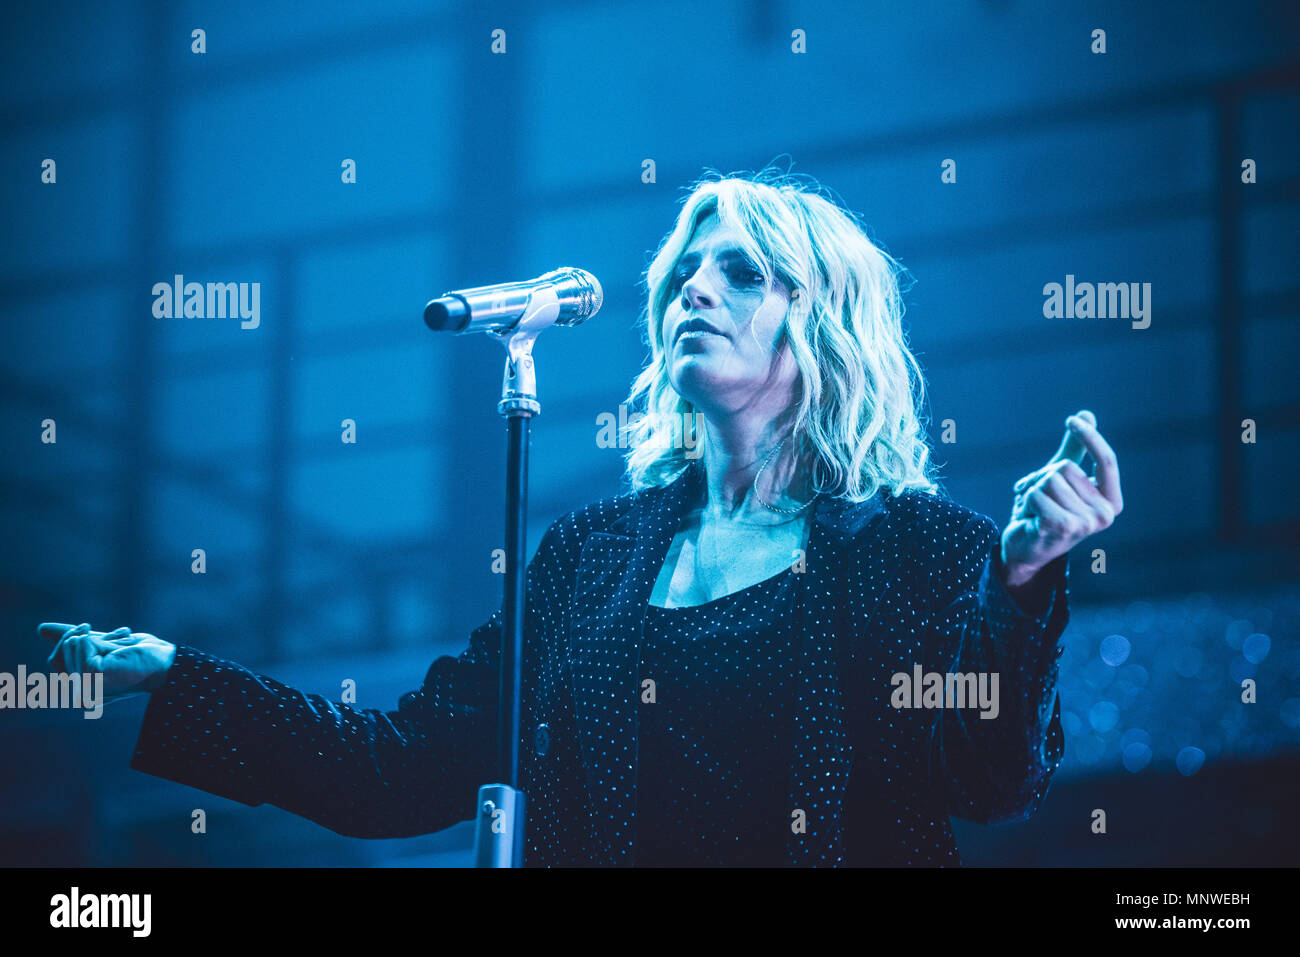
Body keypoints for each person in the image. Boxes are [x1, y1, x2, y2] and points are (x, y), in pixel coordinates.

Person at [42, 168, 1122, 866]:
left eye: (739, 271)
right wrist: (174, 673)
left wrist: (1019, 586)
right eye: (683, 271)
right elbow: (402, 768)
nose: (693, 288)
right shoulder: (588, 558)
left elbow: (986, 782)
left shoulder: (924, 549)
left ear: (823, 317)